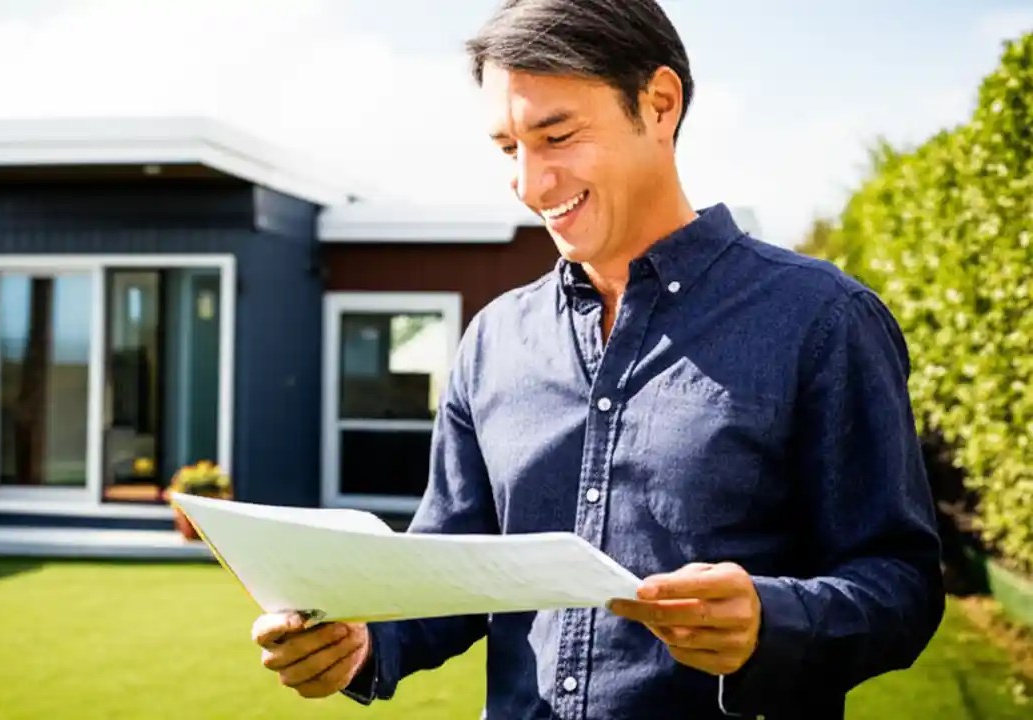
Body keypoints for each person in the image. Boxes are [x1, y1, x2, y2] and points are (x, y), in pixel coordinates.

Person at [251, 1, 945, 717]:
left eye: (557, 136)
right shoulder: (493, 341)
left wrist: (772, 622)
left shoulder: (823, 320)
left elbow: (902, 584)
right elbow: (447, 576)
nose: (530, 184)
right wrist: (360, 644)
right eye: (508, 149)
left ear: (659, 104)